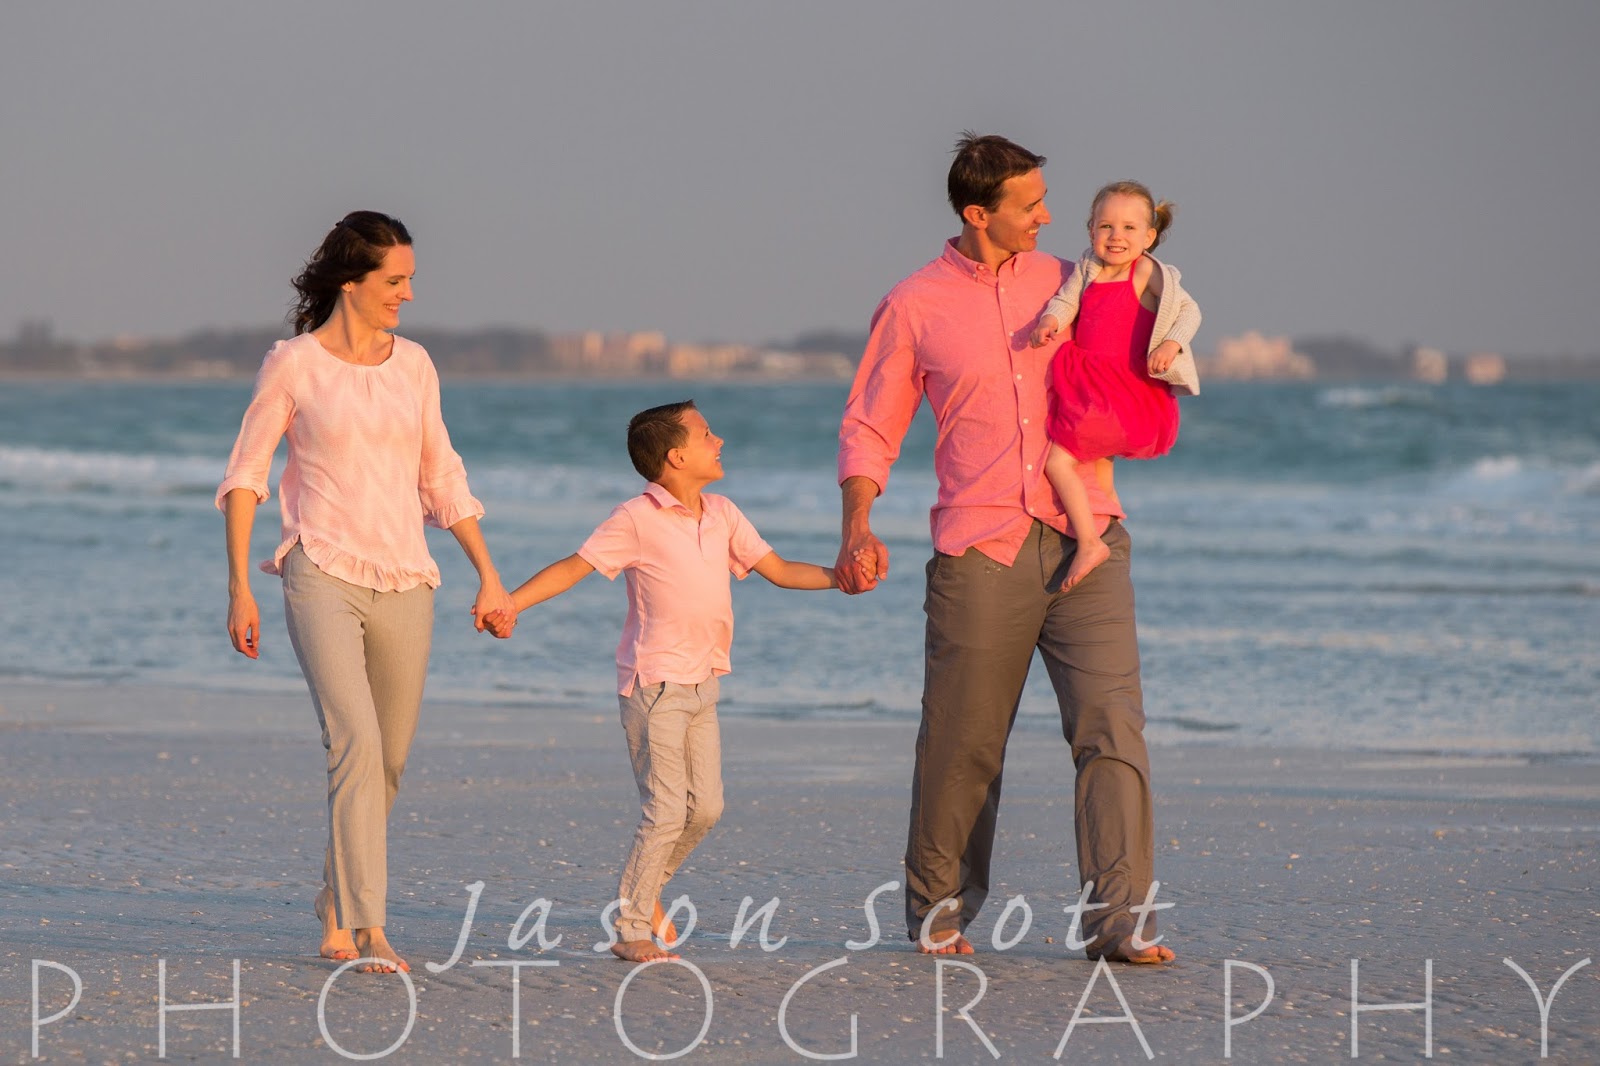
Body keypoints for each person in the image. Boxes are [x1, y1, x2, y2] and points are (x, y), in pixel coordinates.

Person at [835, 134, 1174, 963]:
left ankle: (1120, 921)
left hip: (1087, 531)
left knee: (1112, 730)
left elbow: (1146, 328)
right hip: (981, 545)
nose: (1052, 217)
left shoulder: (1074, 279)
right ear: (978, 214)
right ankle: (938, 912)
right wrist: (857, 525)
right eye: (1032, 205)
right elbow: (871, 425)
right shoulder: (914, 304)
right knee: (964, 739)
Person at [218, 211, 514, 974]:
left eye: (409, 280)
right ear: (351, 283)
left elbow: (440, 473)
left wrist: (487, 570)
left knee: (389, 759)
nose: (408, 295)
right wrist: (238, 588)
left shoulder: (414, 364)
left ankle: (334, 896)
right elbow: (248, 475)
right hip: (320, 569)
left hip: (406, 577)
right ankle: (368, 926)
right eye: (395, 280)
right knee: (353, 741)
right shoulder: (293, 364)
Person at [482, 401, 841, 963]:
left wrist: (841, 577)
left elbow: (780, 571)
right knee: (667, 809)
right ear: (676, 456)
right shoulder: (635, 519)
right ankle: (630, 928)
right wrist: (510, 604)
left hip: (704, 685)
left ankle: (646, 891)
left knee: (707, 809)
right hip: (654, 687)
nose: (718, 439)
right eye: (706, 434)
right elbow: (574, 567)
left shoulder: (722, 513)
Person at [1029, 180, 1201, 589]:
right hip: (1091, 384)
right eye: (1106, 226)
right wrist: (1051, 320)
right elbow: (1067, 300)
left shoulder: (1145, 272)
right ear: (1091, 230)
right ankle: (1108, 529)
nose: (1116, 237)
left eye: (1128, 228)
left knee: (1058, 461)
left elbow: (1190, 311)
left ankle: (1089, 542)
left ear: (1149, 236)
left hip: (1122, 390)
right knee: (1098, 466)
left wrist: (1172, 343)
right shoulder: (1088, 266)